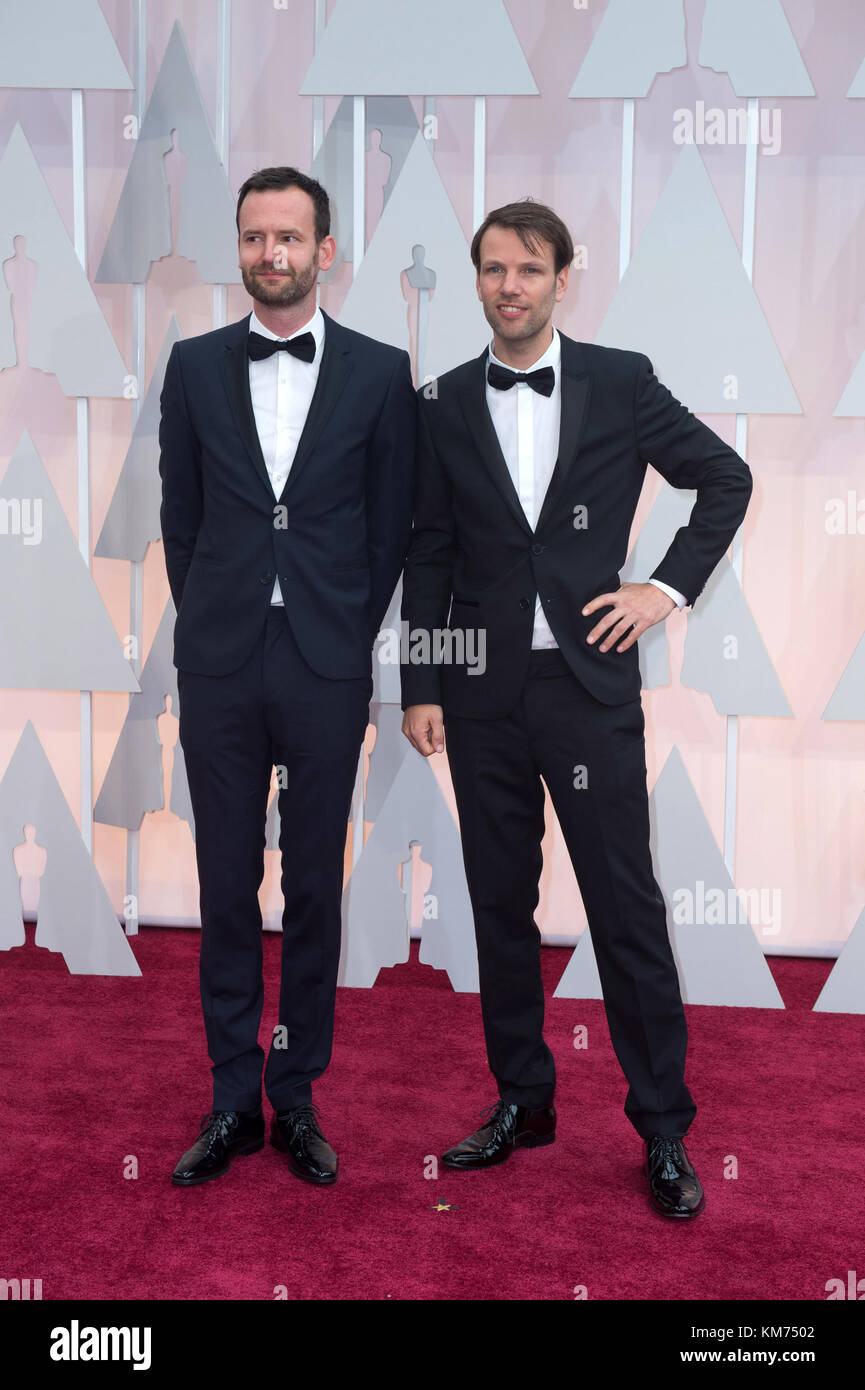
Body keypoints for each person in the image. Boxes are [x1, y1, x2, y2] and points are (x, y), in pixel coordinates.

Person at [400, 199, 752, 1219]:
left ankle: (664, 1129)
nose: (509, 285)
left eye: (528, 269)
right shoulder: (442, 400)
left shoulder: (619, 380)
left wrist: (663, 590)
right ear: (478, 281)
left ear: (563, 278)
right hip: (480, 696)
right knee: (499, 902)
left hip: (589, 692)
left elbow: (723, 478)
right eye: (493, 269)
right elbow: (431, 547)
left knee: (624, 906)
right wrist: (424, 680)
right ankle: (522, 1100)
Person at [159, 167, 416, 1187]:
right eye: (255, 237)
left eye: (290, 237)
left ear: (326, 252)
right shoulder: (190, 366)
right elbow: (182, 518)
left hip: (324, 661)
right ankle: (231, 1102)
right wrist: (216, 609)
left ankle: (295, 1093)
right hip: (219, 660)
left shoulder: (379, 371)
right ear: (240, 248)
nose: (272, 254)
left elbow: (391, 518)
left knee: (312, 885)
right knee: (226, 884)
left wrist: (342, 624)